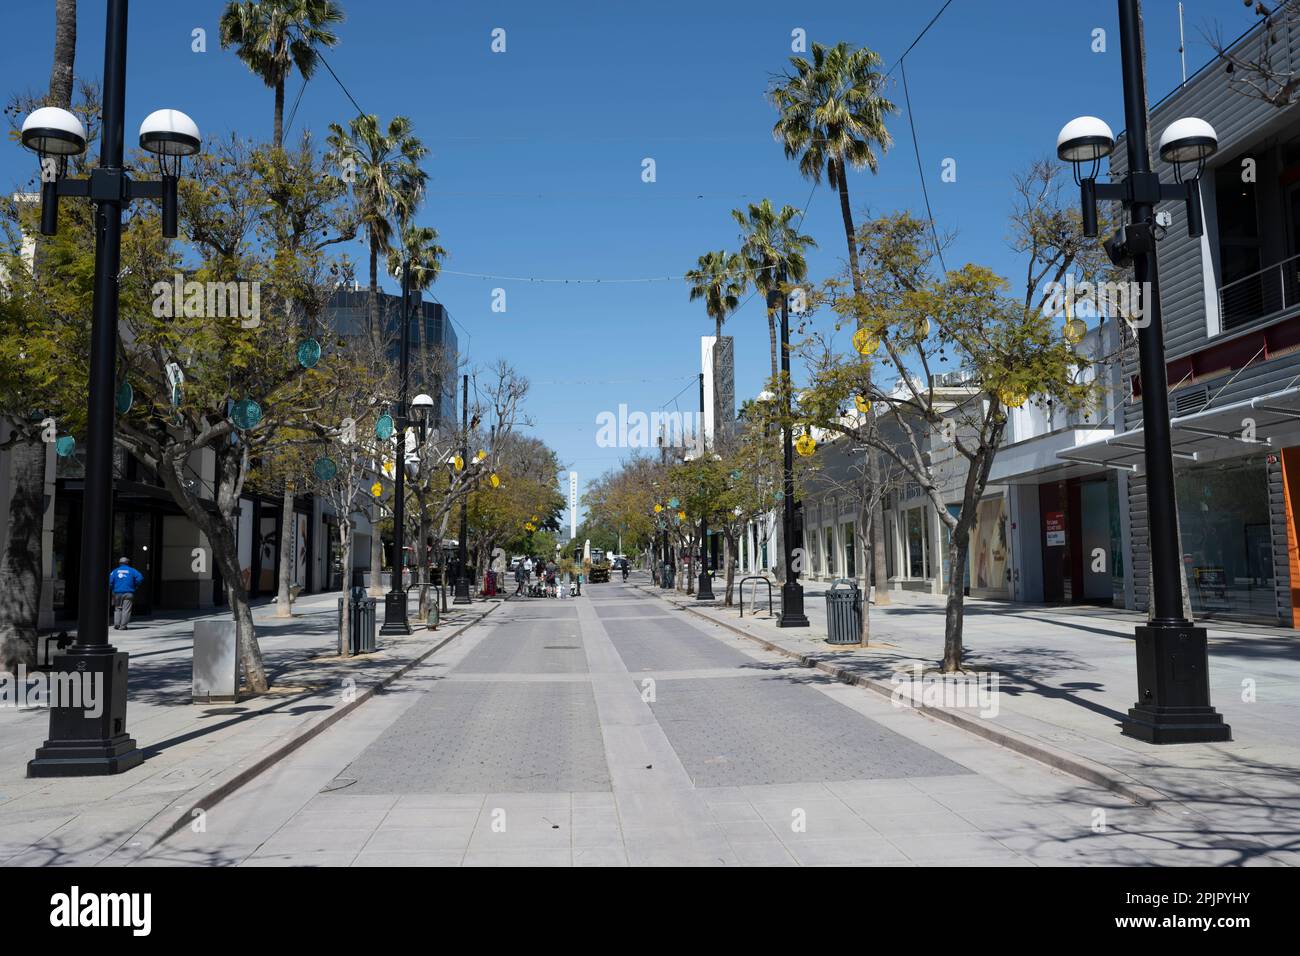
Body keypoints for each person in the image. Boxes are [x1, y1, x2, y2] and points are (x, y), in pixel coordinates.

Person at [109, 556, 144, 630]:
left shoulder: (115, 571)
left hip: (117, 593)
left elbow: (110, 581)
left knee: (117, 608)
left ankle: (117, 624)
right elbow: (140, 577)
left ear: (119, 563)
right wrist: (135, 585)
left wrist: (113, 588)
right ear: (127, 563)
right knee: (126, 609)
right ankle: (123, 626)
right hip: (128, 593)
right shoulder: (132, 570)